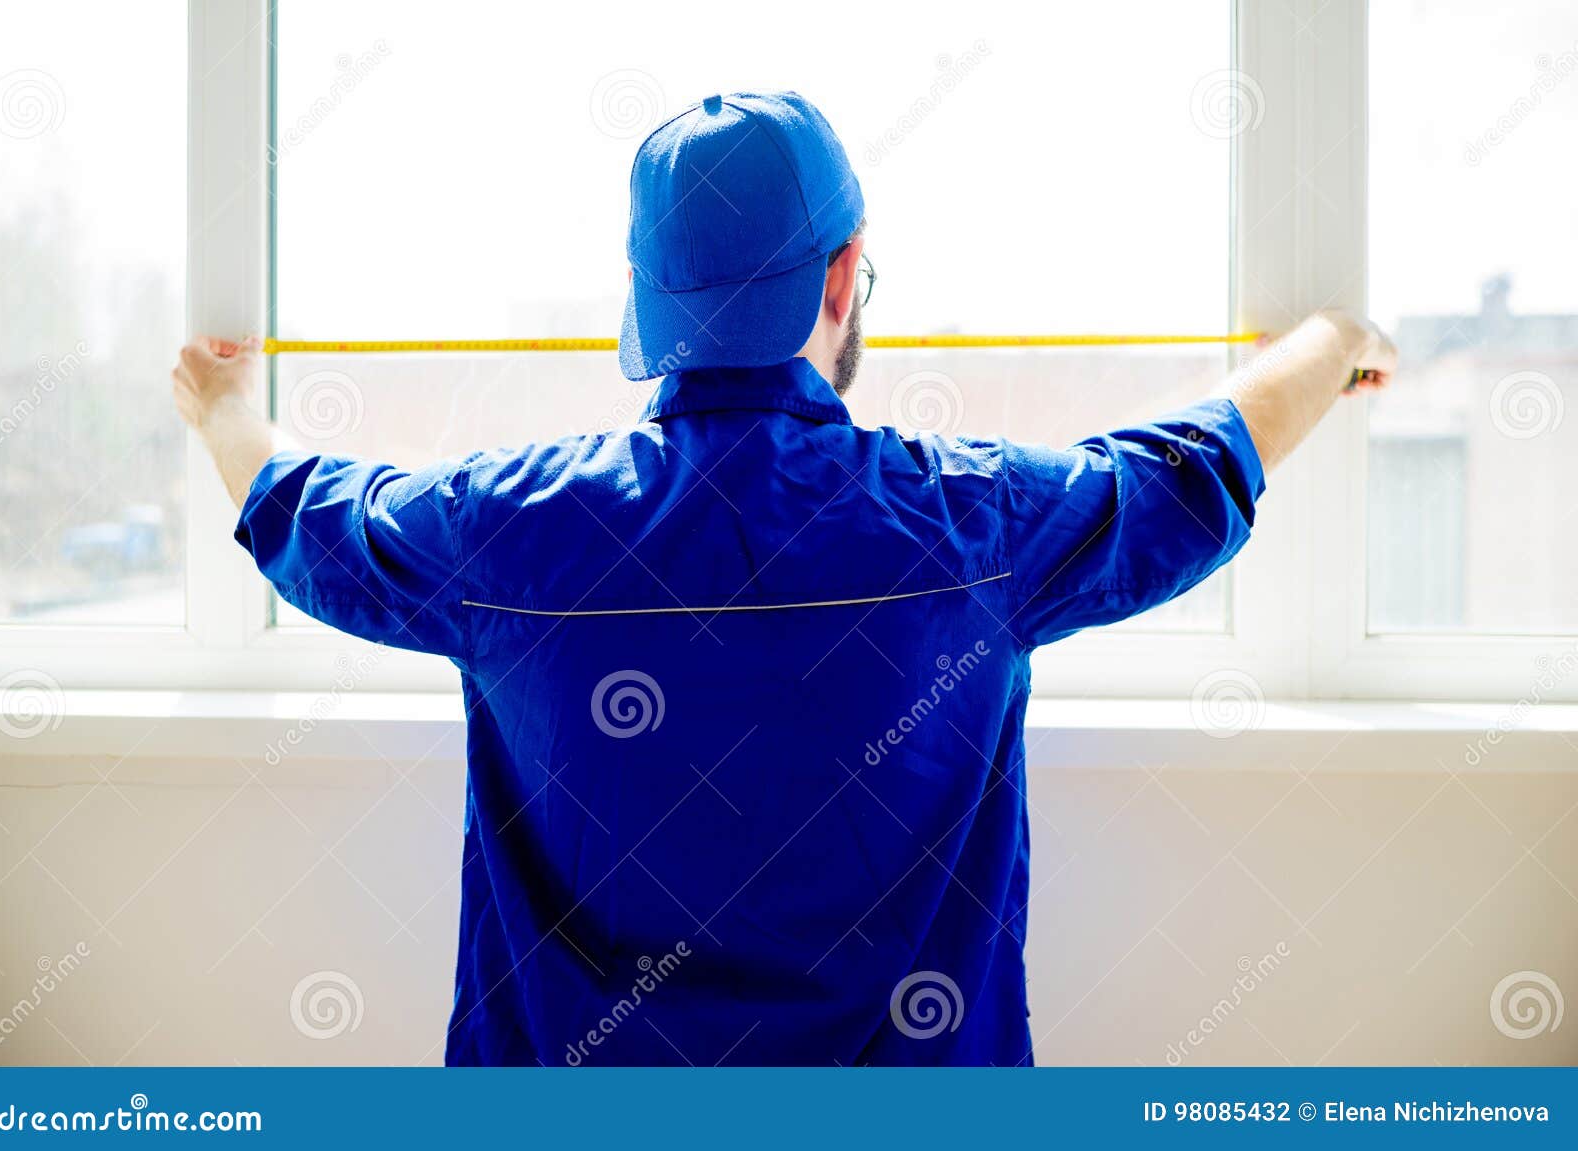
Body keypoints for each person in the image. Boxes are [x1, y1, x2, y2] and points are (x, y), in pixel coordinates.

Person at [171, 90, 1397, 1066]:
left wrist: (224, 406)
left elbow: (304, 516)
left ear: (646, 299)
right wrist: (1333, 338)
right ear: (843, 274)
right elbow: (1195, 469)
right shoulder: (972, 524)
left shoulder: (503, 531)